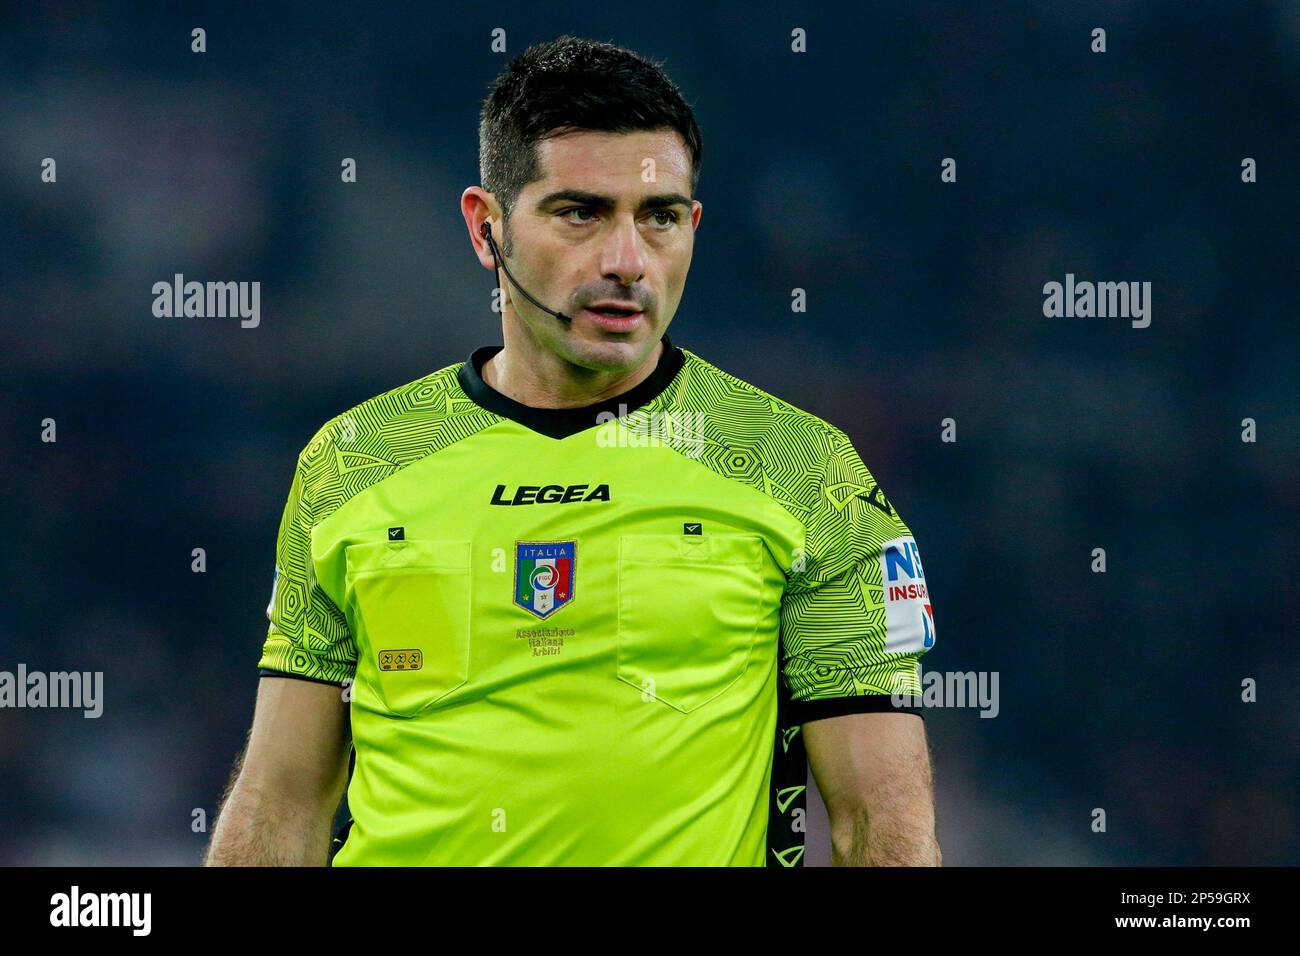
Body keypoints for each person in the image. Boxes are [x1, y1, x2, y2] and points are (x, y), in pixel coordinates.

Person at [205, 34, 940, 867]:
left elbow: (881, 829)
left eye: (659, 217)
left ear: (694, 225)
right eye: (580, 213)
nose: (628, 262)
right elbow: (281, 800)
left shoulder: (801, 469)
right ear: (488, 229)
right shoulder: (355, 460)